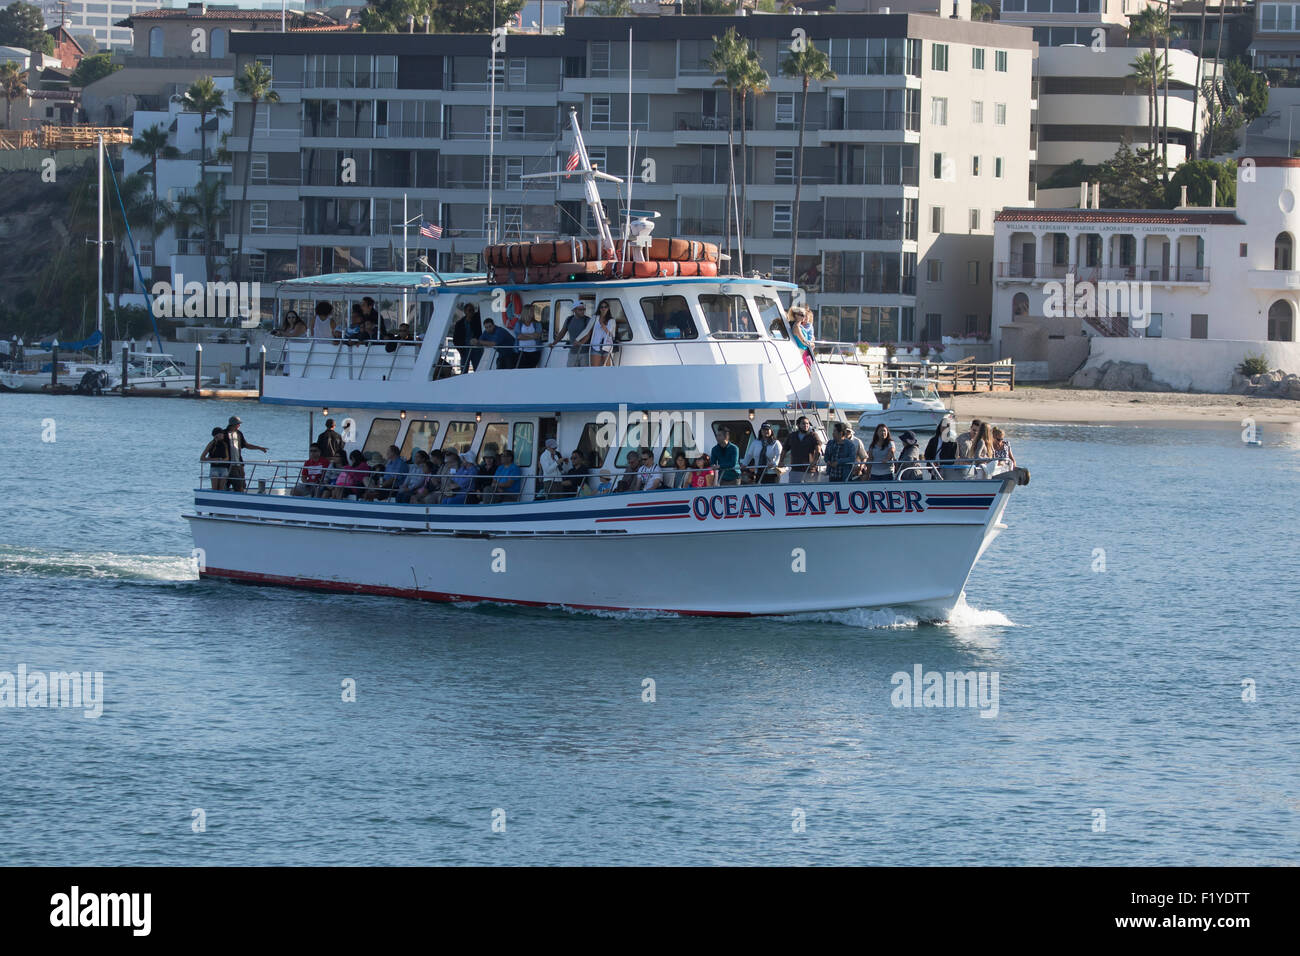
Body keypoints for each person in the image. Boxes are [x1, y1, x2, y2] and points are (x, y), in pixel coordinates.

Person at [223, 415, 267, 492]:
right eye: (238, 424)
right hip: (228, 464)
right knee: (236, 484)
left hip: (239, 463)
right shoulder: (224, 434)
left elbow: (245, 445)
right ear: (233, 424)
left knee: (242, 484)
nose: (239, 425)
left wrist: (259, 448)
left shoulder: (239, 434)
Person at [551, 302, 592, 367]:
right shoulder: (569, 319)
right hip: (572, 353)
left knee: (584, 374)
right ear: (574, 310)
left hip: (585, 353)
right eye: (580, 310)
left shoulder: (588, 320)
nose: (582, 311)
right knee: (571, 374)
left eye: (583, 309)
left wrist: (580, 343)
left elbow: (588, 335)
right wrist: (554, 343)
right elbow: (562, 333)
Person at [785, 416, 823, 482]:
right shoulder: (792, 436)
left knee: (810, 490)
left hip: (810, 470)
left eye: (807, 423)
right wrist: (781, 461)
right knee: (794, 490)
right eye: (803, 423)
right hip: (795, 470)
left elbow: (818, 450)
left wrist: (814, 461)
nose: (806, 425)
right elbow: (784, 449)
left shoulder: (813, 435)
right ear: (798, 425)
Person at [924, 415, 960, 480]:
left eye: (946, 427)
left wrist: (941, 464)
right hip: (934, 469)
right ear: (939, 427)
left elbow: (954, 458)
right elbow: (927, 454)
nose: (943, 428)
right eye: (942, 426)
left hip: (947, 471)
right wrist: (932, 463)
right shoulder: (933, 440)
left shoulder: (953, 442)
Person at [453, 304, 484, 373]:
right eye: (470, 310)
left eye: (473, 310)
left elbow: (479, 312)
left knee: (478, 369)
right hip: (465, 350)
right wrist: (460, 350)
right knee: (464, 370)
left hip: (476, 349)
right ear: (465, 311)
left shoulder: (477, 320)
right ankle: (463, 383)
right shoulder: (459, 324)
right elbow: (455, 339)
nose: (472, 312)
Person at [201, 426, 231, 491]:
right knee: (214, 489)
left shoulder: (224, 444)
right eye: (221, 434)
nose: (223, 435)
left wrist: (221, 460)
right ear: (216, 435)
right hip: (214, 468)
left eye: (223, 433)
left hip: (224, 468)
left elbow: (227, 458)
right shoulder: (211, 444)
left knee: (221, 489)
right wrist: (215, 459)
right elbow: (202, 458)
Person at [588, 302, 617, 367]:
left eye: (605, 307)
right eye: (601, 307)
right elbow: (587, 330)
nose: (603, 309)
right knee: (595, 369)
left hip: (607, 347)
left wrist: (604, 327)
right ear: (599, 309)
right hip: (596, 346)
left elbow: (612, 336)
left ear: (608, 308)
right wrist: (578, 340)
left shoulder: (612, 320)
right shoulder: (595, 318)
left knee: (607, 369)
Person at [790, 306, 815, 372]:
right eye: (801, 315)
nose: (803, 317)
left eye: (804, 315)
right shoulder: (796, 327)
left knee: (810, 372)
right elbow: (804, 341)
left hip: (804, 351)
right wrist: (811, 343)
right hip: (801, 352)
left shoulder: (800, 326)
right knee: (808, 373)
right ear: (796, 316)